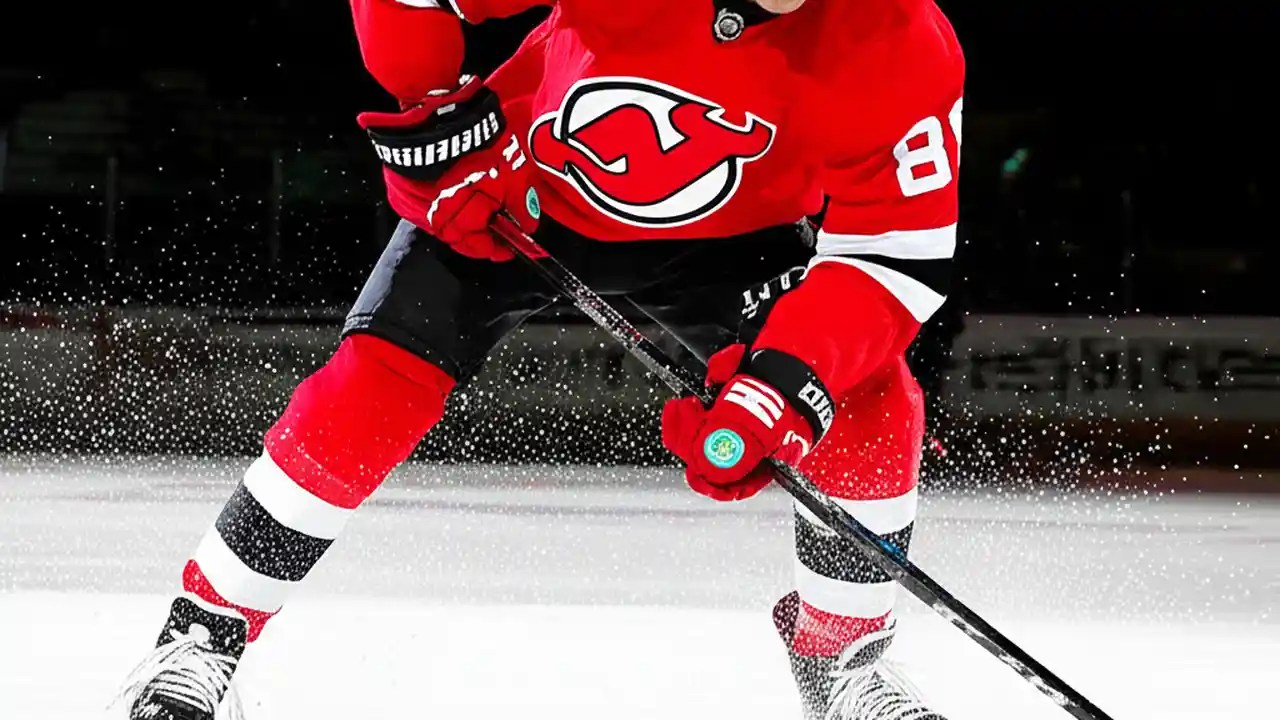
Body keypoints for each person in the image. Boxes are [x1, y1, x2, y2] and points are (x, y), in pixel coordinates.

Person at [116, 0, 963, 717]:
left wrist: (782, 387)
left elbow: (891, 256)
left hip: (737, 242)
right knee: (375, 384)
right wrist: (436, 116)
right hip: (515, 190)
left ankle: (842, 655)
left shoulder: (905, 39)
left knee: (865, 398)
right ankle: (204, 632)